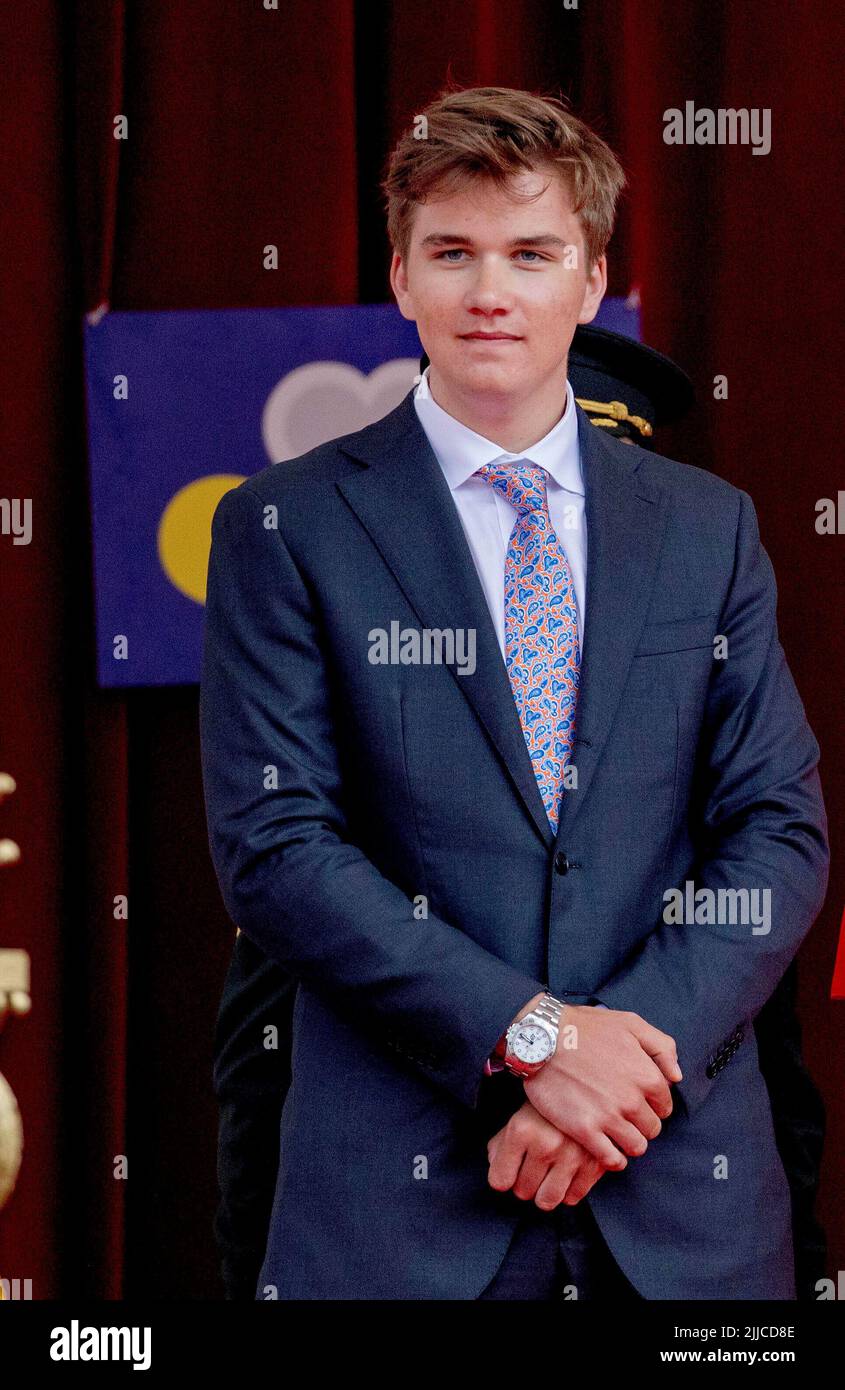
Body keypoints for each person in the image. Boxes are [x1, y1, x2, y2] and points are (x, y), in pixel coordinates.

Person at [199, 85, 829, 1300]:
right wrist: (535, 1035)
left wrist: (620, 1073)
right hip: (398, 1211)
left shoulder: (709, 528)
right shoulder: (282, 525)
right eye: (453, 252)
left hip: (680, 1205)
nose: (490, 291)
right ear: (400, 278)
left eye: (531, 253)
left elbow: (777, 832)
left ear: (589, 282)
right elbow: (277, 848)